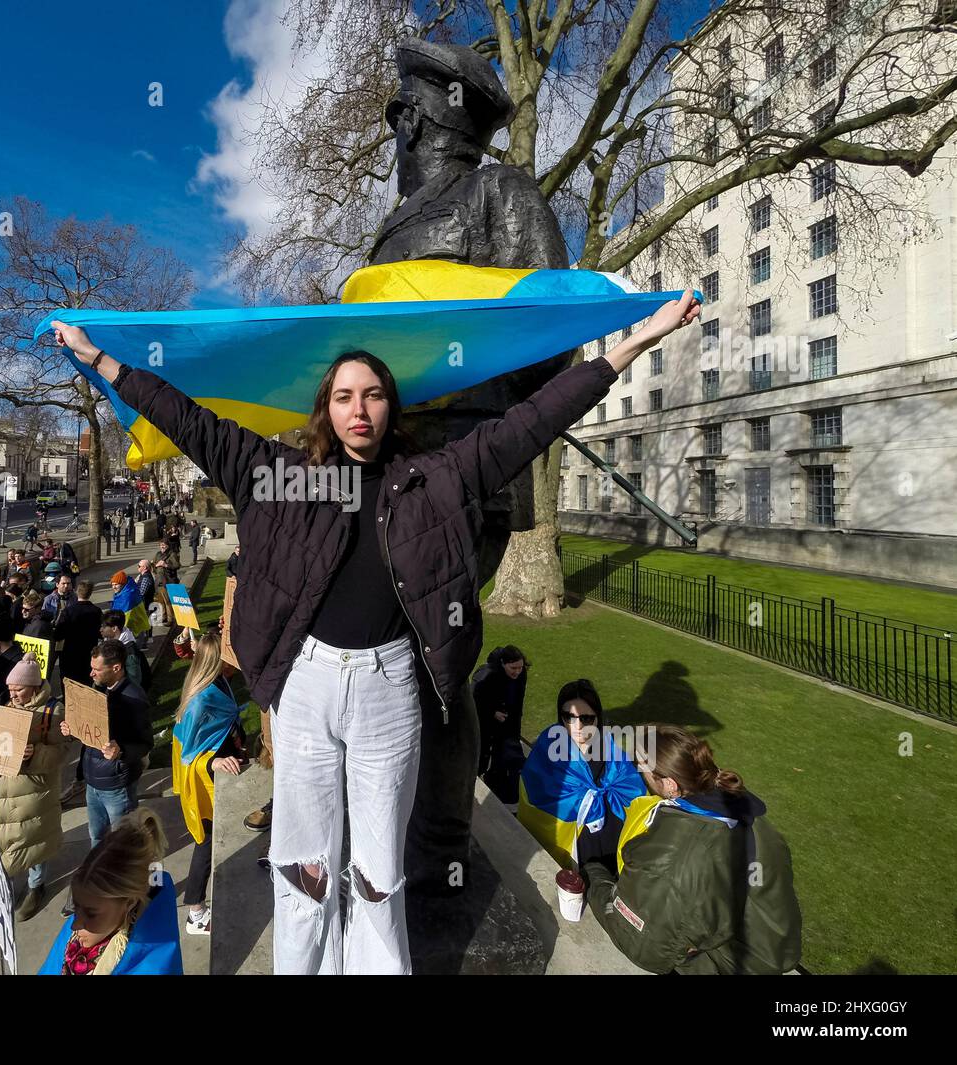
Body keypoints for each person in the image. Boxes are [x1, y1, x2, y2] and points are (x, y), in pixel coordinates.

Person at [52, 294, 700, 974]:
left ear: (392, 407)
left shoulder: (439, 478)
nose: (358, 409)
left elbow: (533, 422)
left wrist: (639, 340)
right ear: (326, 409)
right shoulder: (277, 475)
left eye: (372, 395)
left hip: (390, 692)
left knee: (379, 867)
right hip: (307, 684)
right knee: (303, 860)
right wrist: (100, 359)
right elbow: (188, 419)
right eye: (343, 396)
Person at [584, 724, 802, 975]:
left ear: (669, 785)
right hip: (773, 950)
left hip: (732, 965)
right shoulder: (750, 816)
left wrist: (593, 878)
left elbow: (643, 947)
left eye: (641, 768)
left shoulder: (678, 849)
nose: (639, 774)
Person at [57, 639, 151, 916]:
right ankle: (95, 886)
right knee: (97, 837)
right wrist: (72, 727)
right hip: (94, 780)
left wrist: (121, 752)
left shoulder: (134, 699)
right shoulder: (101, 690)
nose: (91, 674)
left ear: (117, 668)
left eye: (97, 669)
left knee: (124, 842)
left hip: (116, 785)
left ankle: (127, 893)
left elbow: (146, 744)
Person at [0, 653, 69, 921]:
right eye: (12, 689)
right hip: (2, 789)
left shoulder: (54, 711)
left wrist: (34, 754)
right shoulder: (9, 704)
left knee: (33, 841)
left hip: (33, 792)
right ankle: (5, 889)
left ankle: (35, 887)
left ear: (35, 687)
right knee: (4, 840)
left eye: (19, 689)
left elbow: (61, 752)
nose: (14, 694)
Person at [517, 679, 645, 874]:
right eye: (568, 717)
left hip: (610, 837)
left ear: (597, 717)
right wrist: (587, 799)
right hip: (576, 842)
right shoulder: (549, 743)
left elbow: (630, 782)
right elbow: (539, 788)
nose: (577, 726)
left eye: (586, 718)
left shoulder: (608, 743)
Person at [38, 809, 182, 975]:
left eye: (91, 914)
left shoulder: (154, 966)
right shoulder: (91, 920)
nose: (74, 925)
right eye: (76, 907)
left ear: (129, 903)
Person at [170, 632, 246, 935]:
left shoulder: (215, 682)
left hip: (222, 767)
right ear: (216, 661)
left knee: (211, 838)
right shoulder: (200, 701)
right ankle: (196, 912)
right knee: (205, 841)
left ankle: (197, 907)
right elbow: (188, 754)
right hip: (206, 777)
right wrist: (211, 761)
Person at [472, 645, 528, 804]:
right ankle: (478, 779)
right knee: (483, 753)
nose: (517, 671)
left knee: (506, 756)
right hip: (486, 723)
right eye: (513, 668)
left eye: (520, 667)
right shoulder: (486, 676)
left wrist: (515, 729)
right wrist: (492, 712)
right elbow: (474, 700)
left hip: (508, 721)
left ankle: (497, 783)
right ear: (503, 663)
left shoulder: (521, 675)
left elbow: (519, 701)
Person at [55, 581, 102, 687]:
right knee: (86, 683)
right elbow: (100, 632)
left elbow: (58, 634)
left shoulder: (68, 611)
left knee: (69, 684)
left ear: (77, 592)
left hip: (70, 653)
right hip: (88, 652)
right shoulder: (96, 611)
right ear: (90, 593)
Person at [99, 610, 149, 690]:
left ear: (114, 628)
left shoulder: (130, 652)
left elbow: (135, 681)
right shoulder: (107, 640)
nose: (100, 629)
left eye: (103, 627)